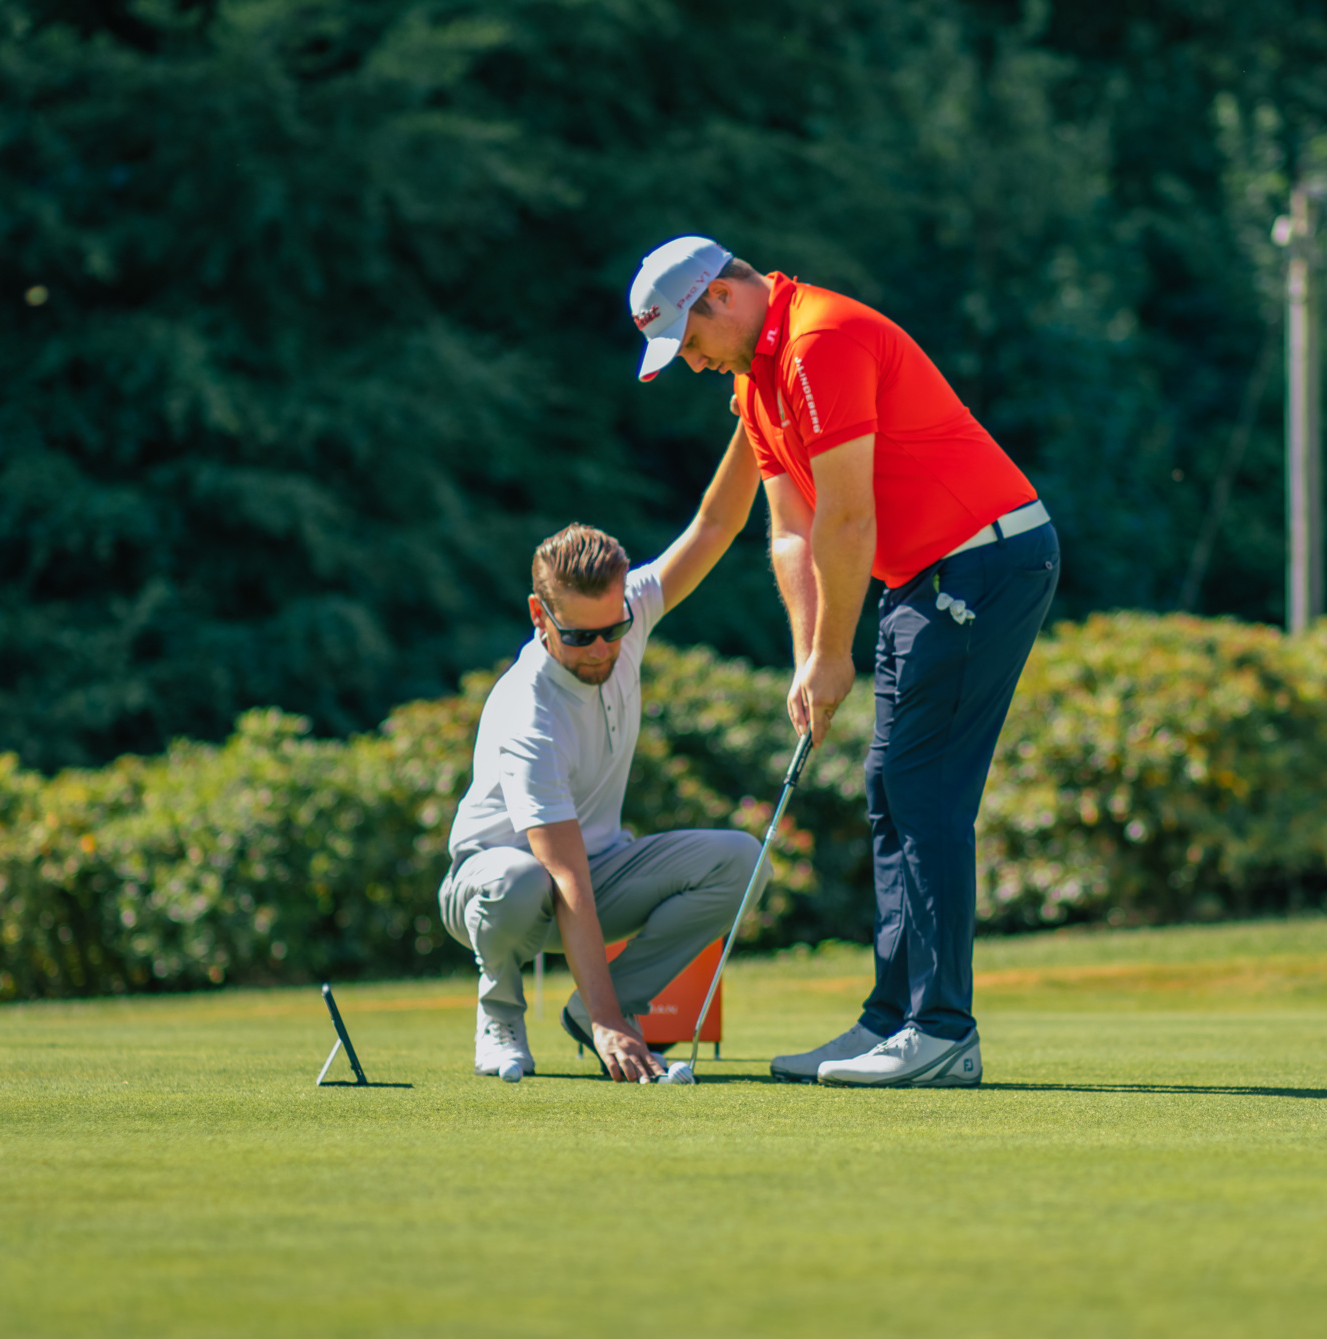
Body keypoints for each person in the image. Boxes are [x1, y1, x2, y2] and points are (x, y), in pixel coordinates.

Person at [628, 235, 1060, 1087]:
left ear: (721, 296)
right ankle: (889, 1019)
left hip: (984, 557)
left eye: (689, 340)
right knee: (888, 787)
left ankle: (941, 1030)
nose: (692, 363)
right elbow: (790, 527)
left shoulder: (821, 341)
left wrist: (836, 653)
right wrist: (806, 657)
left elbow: (849, 518)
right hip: (922, 575)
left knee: (923, 785)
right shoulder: (760, 384)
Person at [441, 443, 764, 1083]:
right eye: (579, 636)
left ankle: (599, 1011)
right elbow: (562, 877)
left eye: (611, 630)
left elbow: (715, 525)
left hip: (599, 868)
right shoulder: (528, 712)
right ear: (540, 616)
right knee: (521, 878)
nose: (599, 651)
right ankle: (500, 1009)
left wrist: (756, 423)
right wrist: (607, 1017)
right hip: (495, 887)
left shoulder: (630, 610)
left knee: (742, 862)